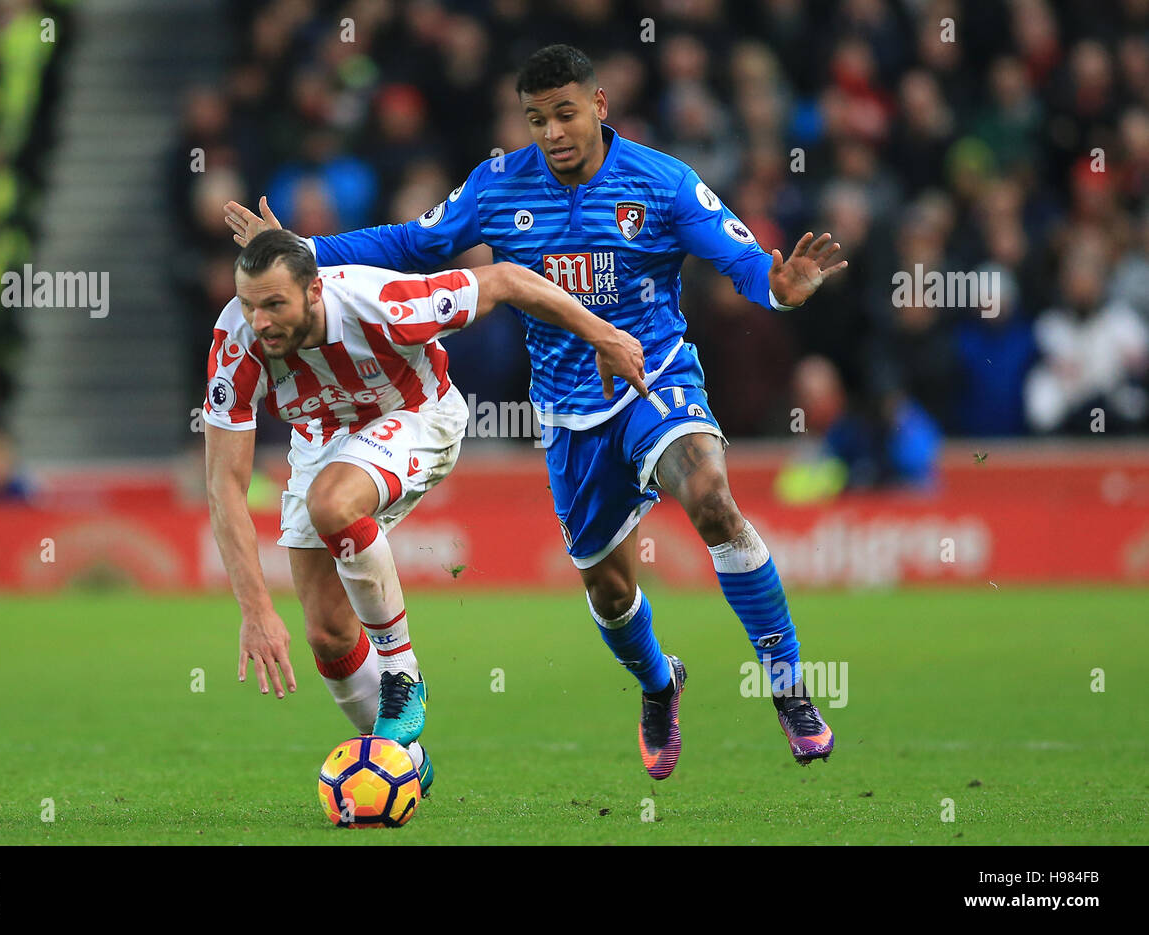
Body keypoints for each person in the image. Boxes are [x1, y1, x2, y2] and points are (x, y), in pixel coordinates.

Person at [226, 44, 847, 774]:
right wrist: (304, 249)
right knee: (612, 593)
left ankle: (787, 683)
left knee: (711, 495)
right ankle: (658, 681)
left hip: (655, 379)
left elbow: (741, 259)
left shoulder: (663, 181)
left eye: (565, 114)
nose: (552, 132)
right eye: (536, 119)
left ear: (599, 106)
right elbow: (414, 242)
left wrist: (779, 288)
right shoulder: (497, 187)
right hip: (566, 409)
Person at [204, 228, 645, 792]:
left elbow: (507, 280)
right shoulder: (237, 341)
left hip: (419, 414)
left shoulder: (383, 305)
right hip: (322, 437)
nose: (259, 321)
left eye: (273, 304)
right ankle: (403, 764)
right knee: (328, 634)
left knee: (331, 502)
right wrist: (257, 611)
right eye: (248, 305)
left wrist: (604, 335)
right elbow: (223, 485)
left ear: (315, 292)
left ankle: (401, 674)